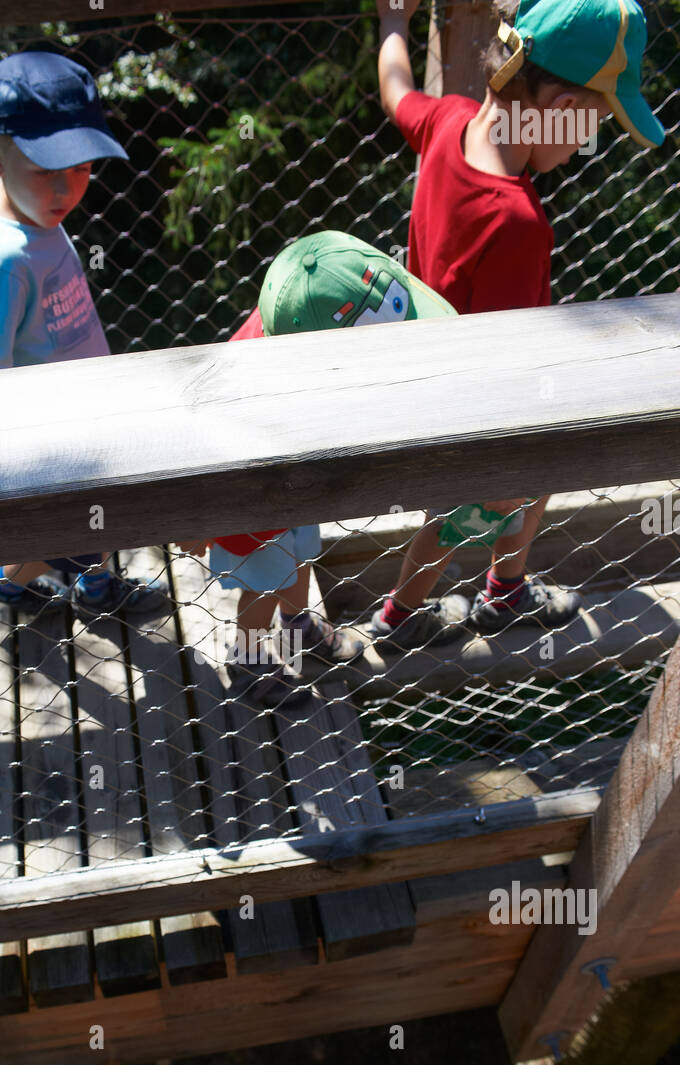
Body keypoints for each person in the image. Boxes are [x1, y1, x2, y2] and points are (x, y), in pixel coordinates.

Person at [372, 0, 665, 649]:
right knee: (467, 510)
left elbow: (397, 90)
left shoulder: (448, 121)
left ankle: (503, 590)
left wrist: (394, 19)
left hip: (422, 366)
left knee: (533, 468)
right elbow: (509, 366)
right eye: (596, 121)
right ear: (560, 108)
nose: (589, 143)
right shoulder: (517, 223)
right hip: (469, 403)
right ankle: (400, 617)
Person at [180, 229, 458, 707]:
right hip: (250, 505)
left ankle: (297, 627)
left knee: (301, 556)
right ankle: (248, 659)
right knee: (263, 583)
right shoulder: (249, 387)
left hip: (297, 488)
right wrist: (196, 515)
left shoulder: (290, 324)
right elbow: (202, 441)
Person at [0, 51, 168, 618]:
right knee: (60, 528)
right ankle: (5, 581)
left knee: (94, 515)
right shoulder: (3, 257)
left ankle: (93, 586)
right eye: (48, 171)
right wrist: (16, 452)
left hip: (81, 415)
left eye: (81, 168)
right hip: (44, 439)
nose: (67, 189)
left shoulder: (37, 215)